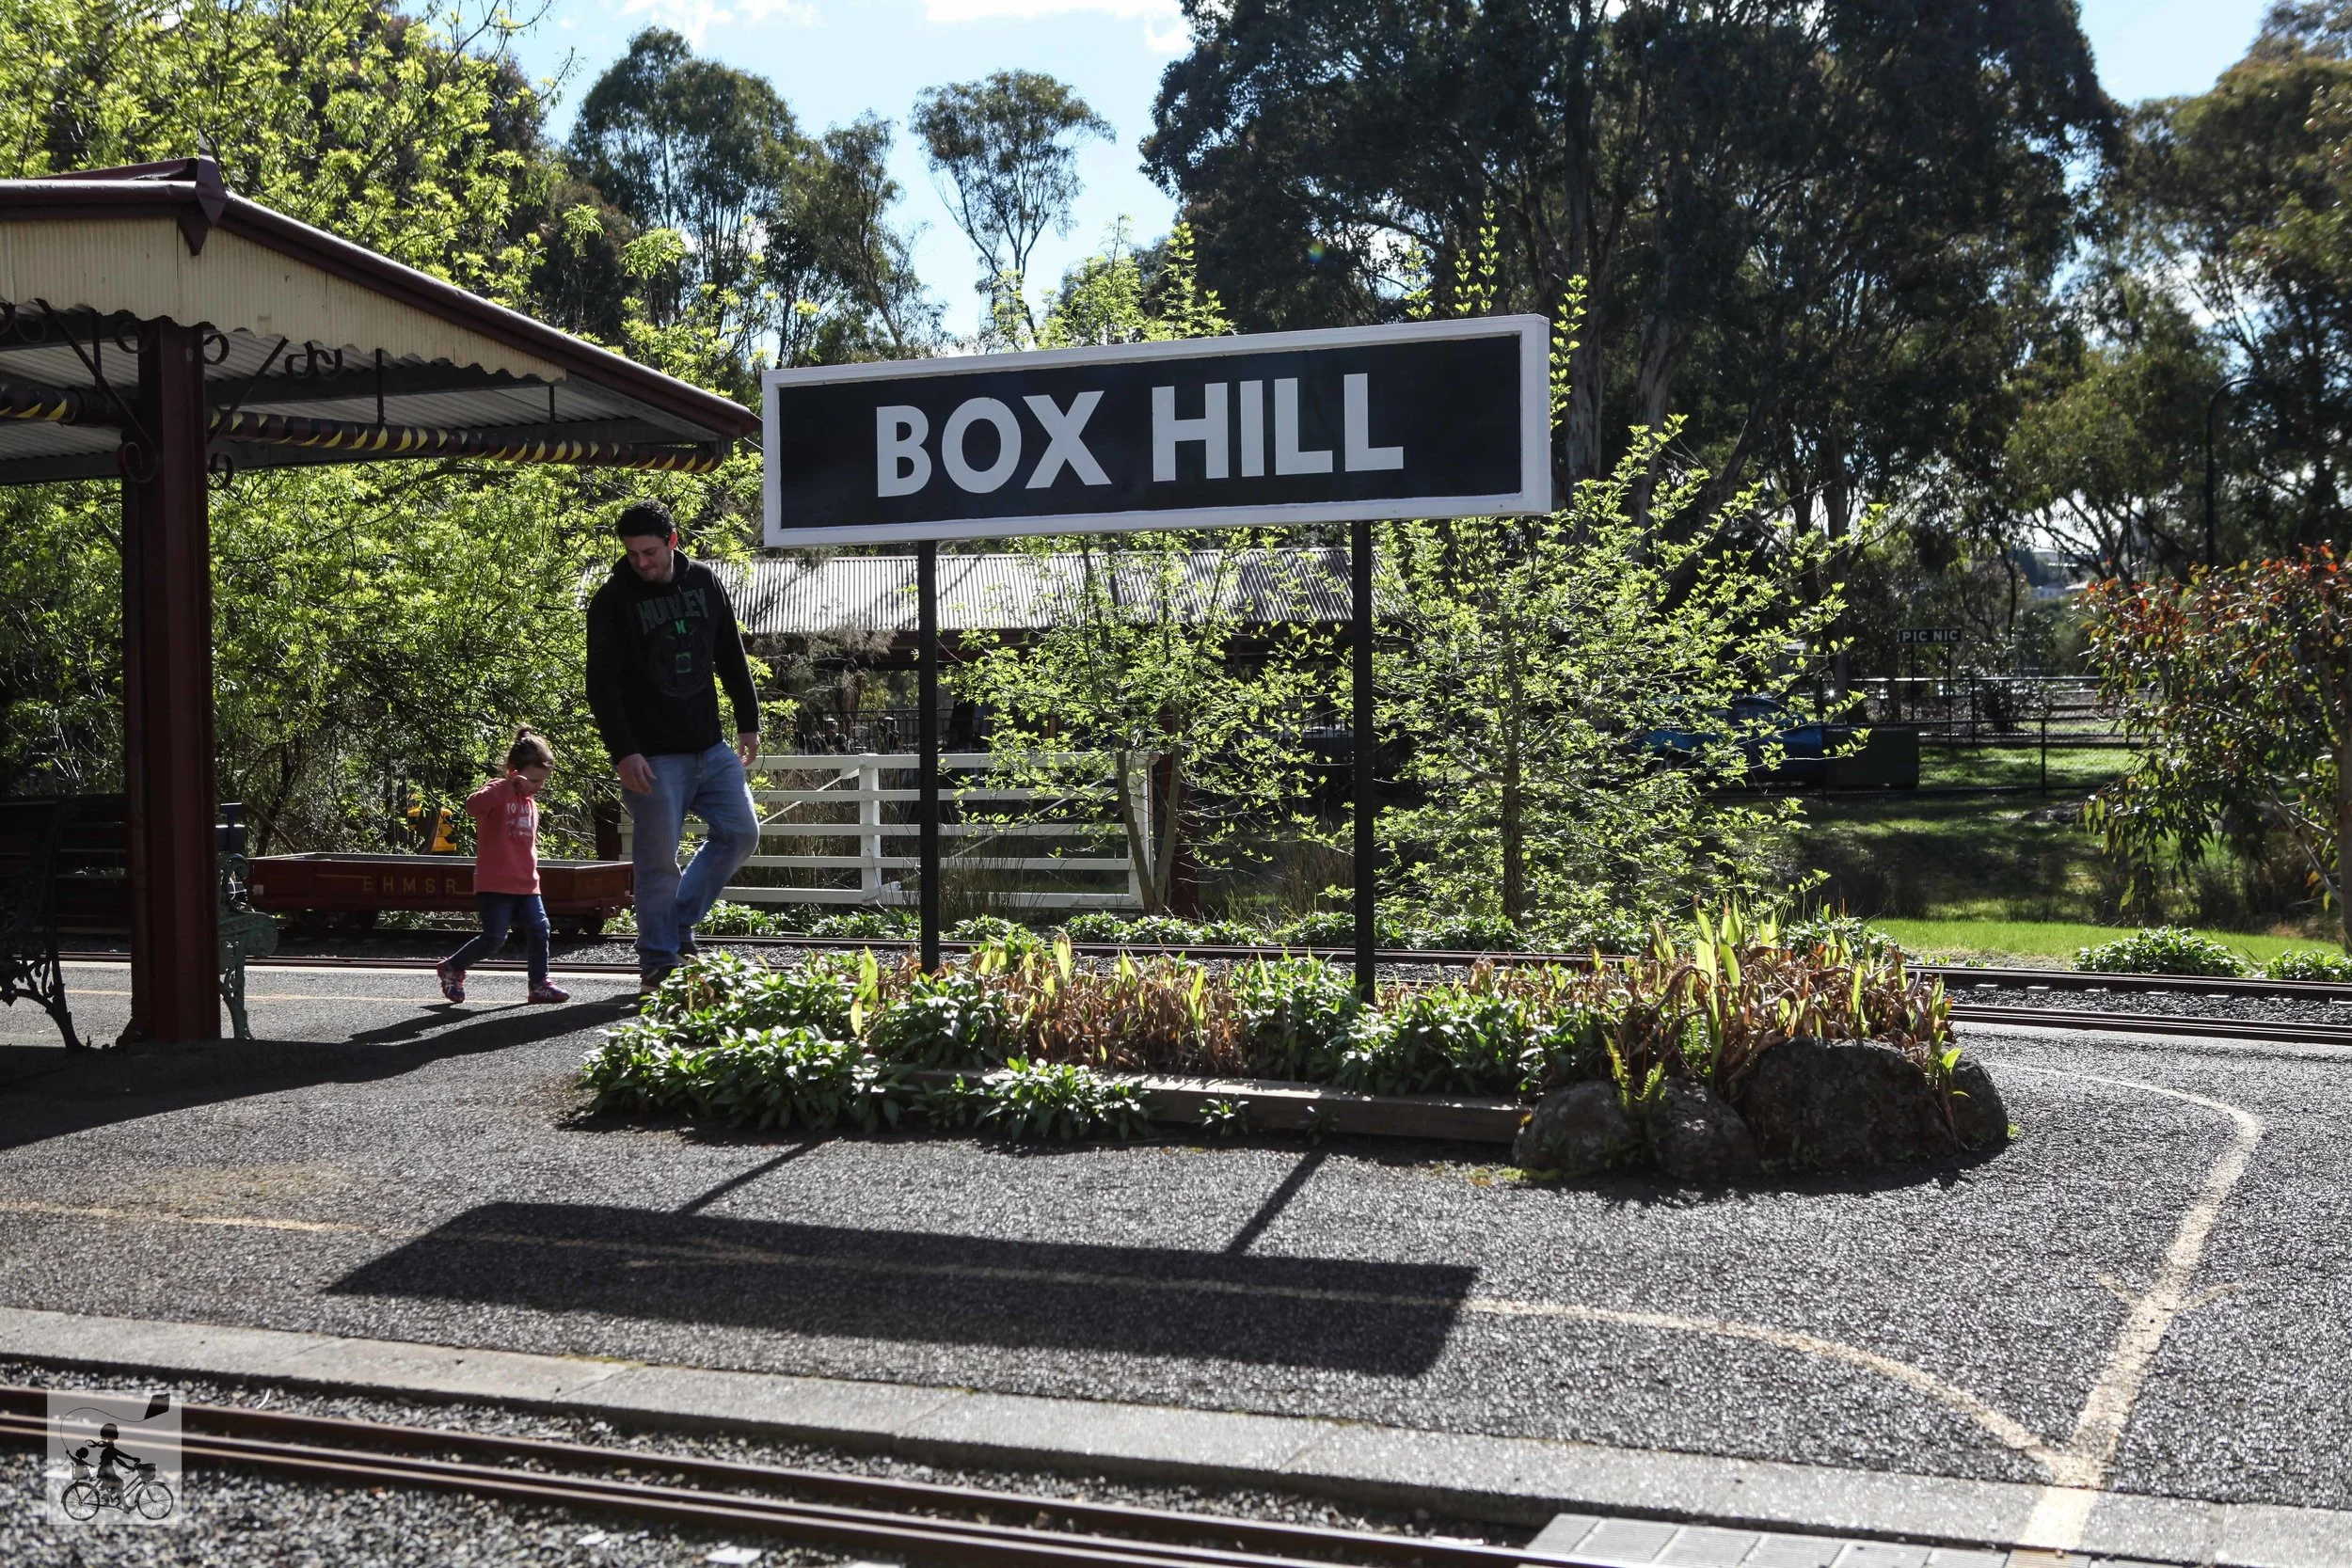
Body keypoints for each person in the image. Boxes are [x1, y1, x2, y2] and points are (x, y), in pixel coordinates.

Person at [585, 499, 761, 990]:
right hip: (653, 757)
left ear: (673, 541)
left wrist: (748, 720)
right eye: (632, 554)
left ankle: (679, 920)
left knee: (741, 833)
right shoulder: (613, 601)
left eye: (649, 552)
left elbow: (729, 650)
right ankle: (658, 958)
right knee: (658, 862)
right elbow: (602, 686)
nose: (641, 562)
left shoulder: (703, 582)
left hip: (711, 746)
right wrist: (624, 751)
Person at [436, 728, 570, 1005]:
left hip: (526, 883)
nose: (538, 787)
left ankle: (539, 984)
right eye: (533, 780)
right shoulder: (497, 790)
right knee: (495, 938)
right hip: (495, 883)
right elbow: (472, 806)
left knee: (539, 928)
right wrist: (507, 786)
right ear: (513, 771)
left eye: (542, 781)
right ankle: (453, 966)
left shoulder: (531, 803)